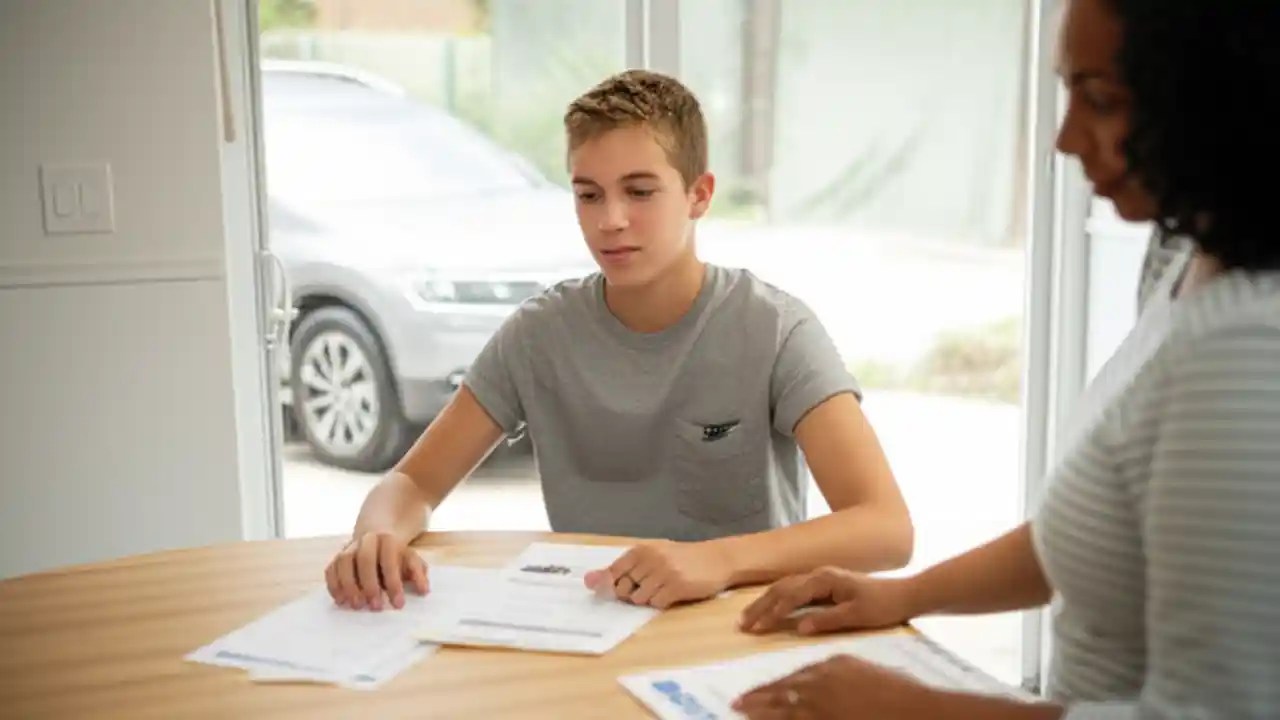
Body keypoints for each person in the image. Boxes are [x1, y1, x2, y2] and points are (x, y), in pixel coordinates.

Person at [733, 0, 1280, 717]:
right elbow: (1101, 529)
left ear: (1215, 95)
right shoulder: (1188, 266)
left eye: (1101, 100)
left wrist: (913, 709)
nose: (1065, 138)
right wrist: (903, 595)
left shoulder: (1248, 347)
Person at [323, 70, 913, 613]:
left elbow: (886, 528)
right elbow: (412, 483)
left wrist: (718, 560)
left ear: (699, 195)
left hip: (735, 630)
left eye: (639, 191)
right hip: (591, 622)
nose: (610, 220)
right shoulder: (539, 334)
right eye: (589, 194)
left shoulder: (776, 329)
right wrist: (376, 536)